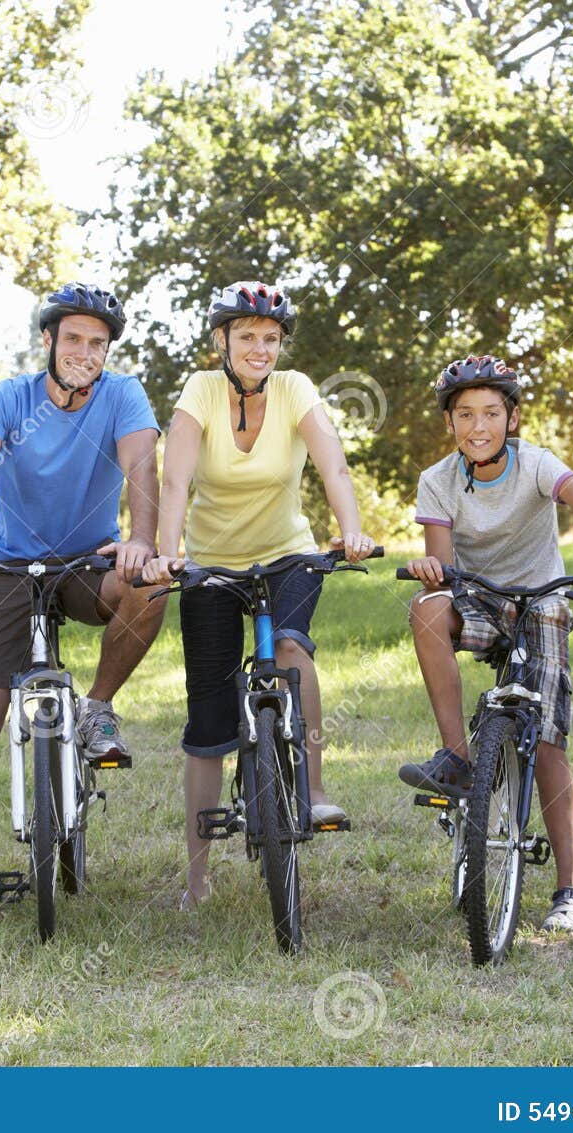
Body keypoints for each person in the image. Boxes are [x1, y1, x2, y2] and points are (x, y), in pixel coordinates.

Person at [0, 282, 165, 923]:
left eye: (96, 342)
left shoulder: (123, 395)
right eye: (72, 338)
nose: (84, 351)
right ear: (47, 341)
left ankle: (96, 709)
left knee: (151, 586)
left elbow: (142, 471)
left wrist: (141, 542)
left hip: (90, 562)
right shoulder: (9, 398)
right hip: (10, 567)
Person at [142, 281, 376, 911]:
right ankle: (197, 878)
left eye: (269, 338)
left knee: (293, 650)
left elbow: (333, 465)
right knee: (209, 716)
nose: (260, 348)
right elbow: (176, 478)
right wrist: (169, 551)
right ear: (222, 341)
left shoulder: (296, 388)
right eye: (246, 336)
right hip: (211, 563)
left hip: (288, 555)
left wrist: (350, 528)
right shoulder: (202, 390)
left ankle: (315, 788)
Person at [397, 355, 573, 933]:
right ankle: (457, 757)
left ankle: (571, 887)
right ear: (449, 423)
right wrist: (431, 568)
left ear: (511, 417)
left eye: (490, 413)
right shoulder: (439, 480)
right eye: (464, 415)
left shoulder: (535, 465)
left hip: (542, 598)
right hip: (477, 598)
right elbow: (445, 566)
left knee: (549, 744)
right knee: (427, 608)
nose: (478, 426)